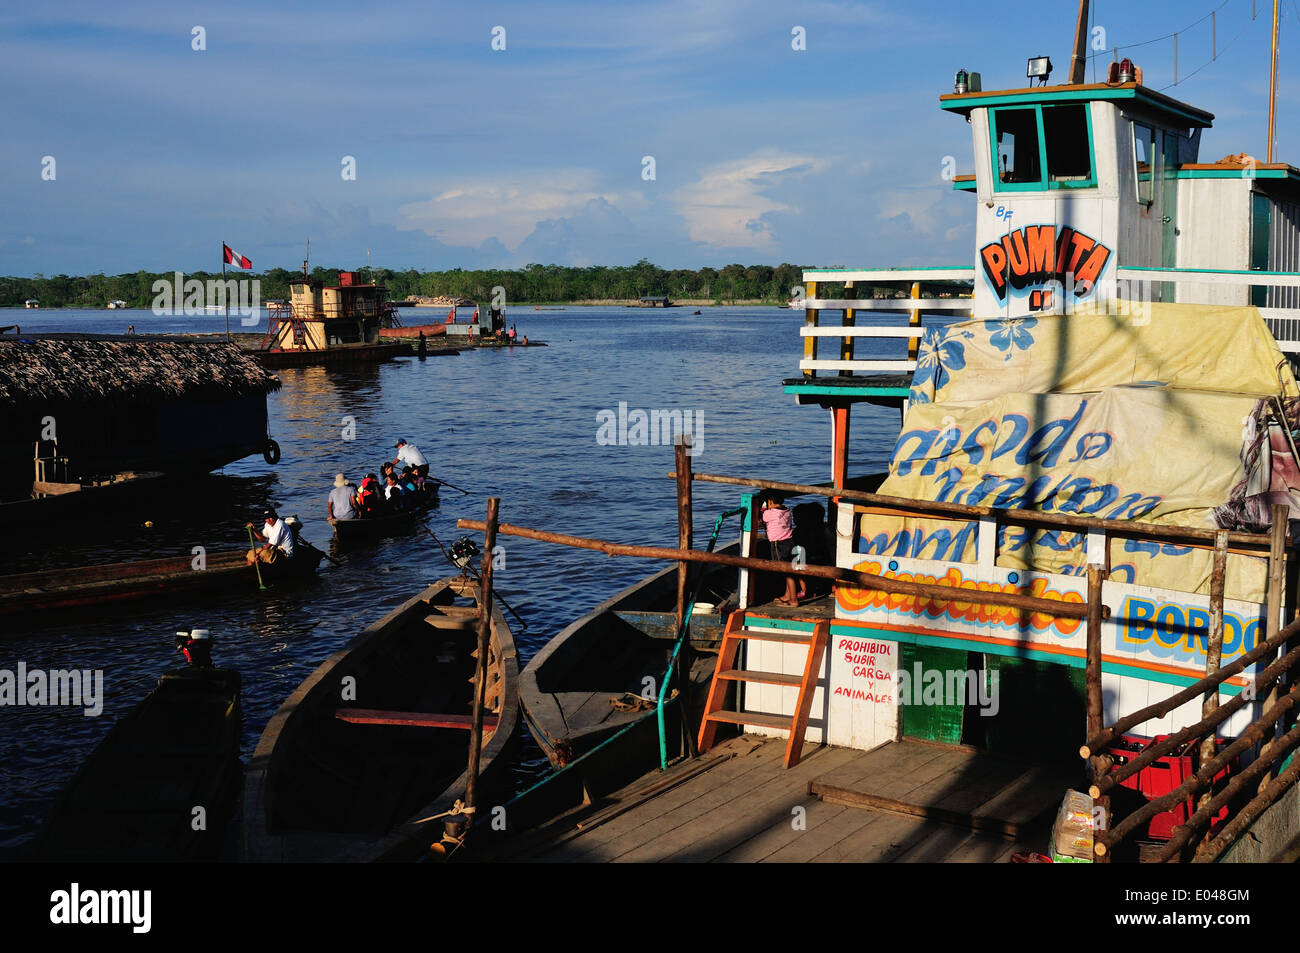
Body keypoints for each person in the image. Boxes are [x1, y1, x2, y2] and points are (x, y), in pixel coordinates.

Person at [759, 493, 799, 606]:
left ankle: (793, 600)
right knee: (789, 569)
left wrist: (762, 507)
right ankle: (788, 595)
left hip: (779, 544)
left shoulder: (770, 513)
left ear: (770, 502)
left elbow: (762, 516)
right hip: (790, 541)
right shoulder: (786, 510)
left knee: (787, 572)